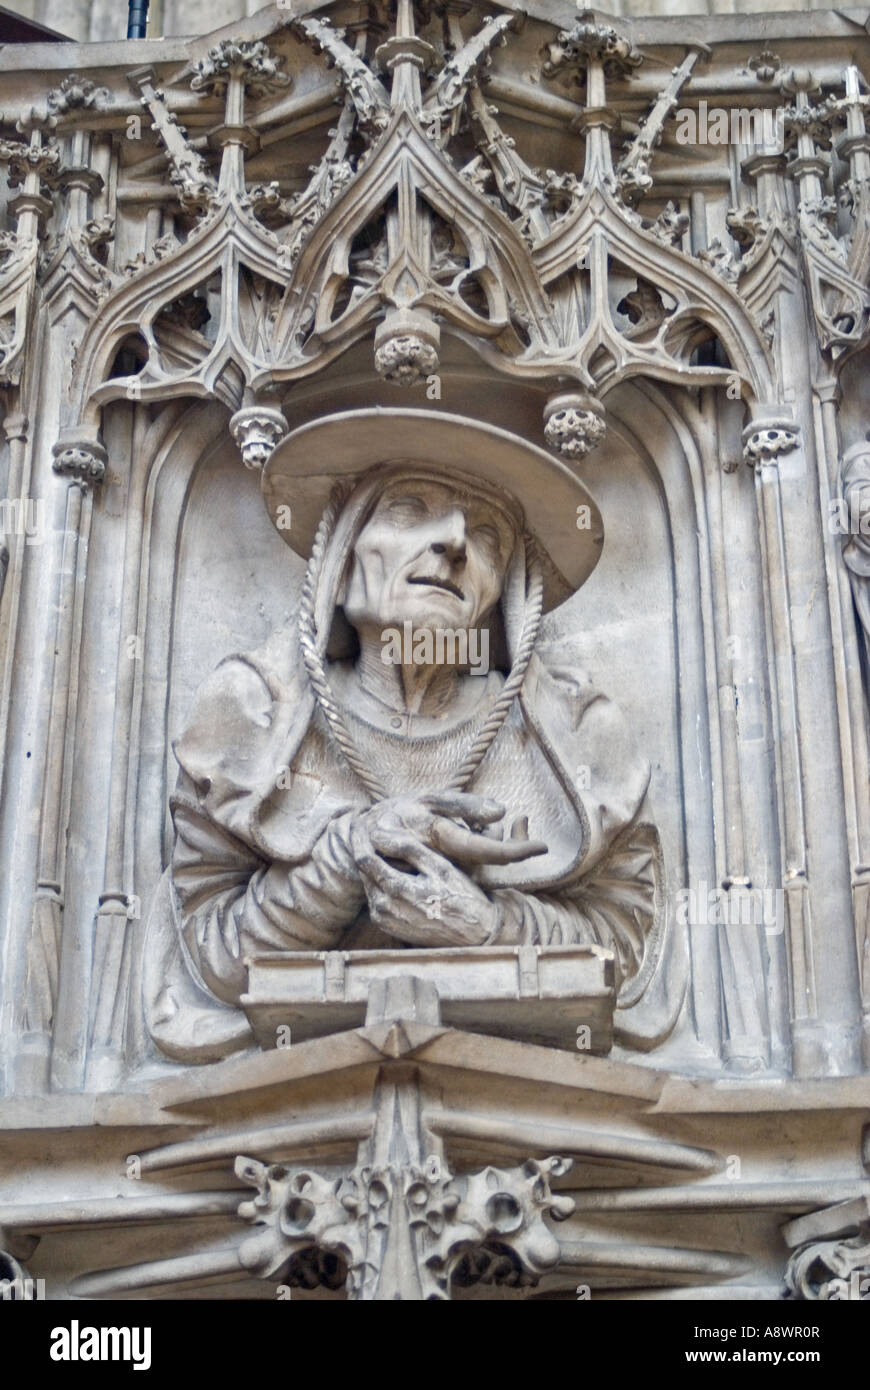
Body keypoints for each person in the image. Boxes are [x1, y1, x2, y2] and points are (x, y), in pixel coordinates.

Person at [144, 409, 670, 1062]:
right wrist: (345, 859)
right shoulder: (253, 720)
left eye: (487, 534)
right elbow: (208, 952)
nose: (454, 540)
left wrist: (489, 927)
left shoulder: (579, 740)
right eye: (407, 509)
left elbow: (627, 940)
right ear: (341, 559)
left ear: (502, 594)